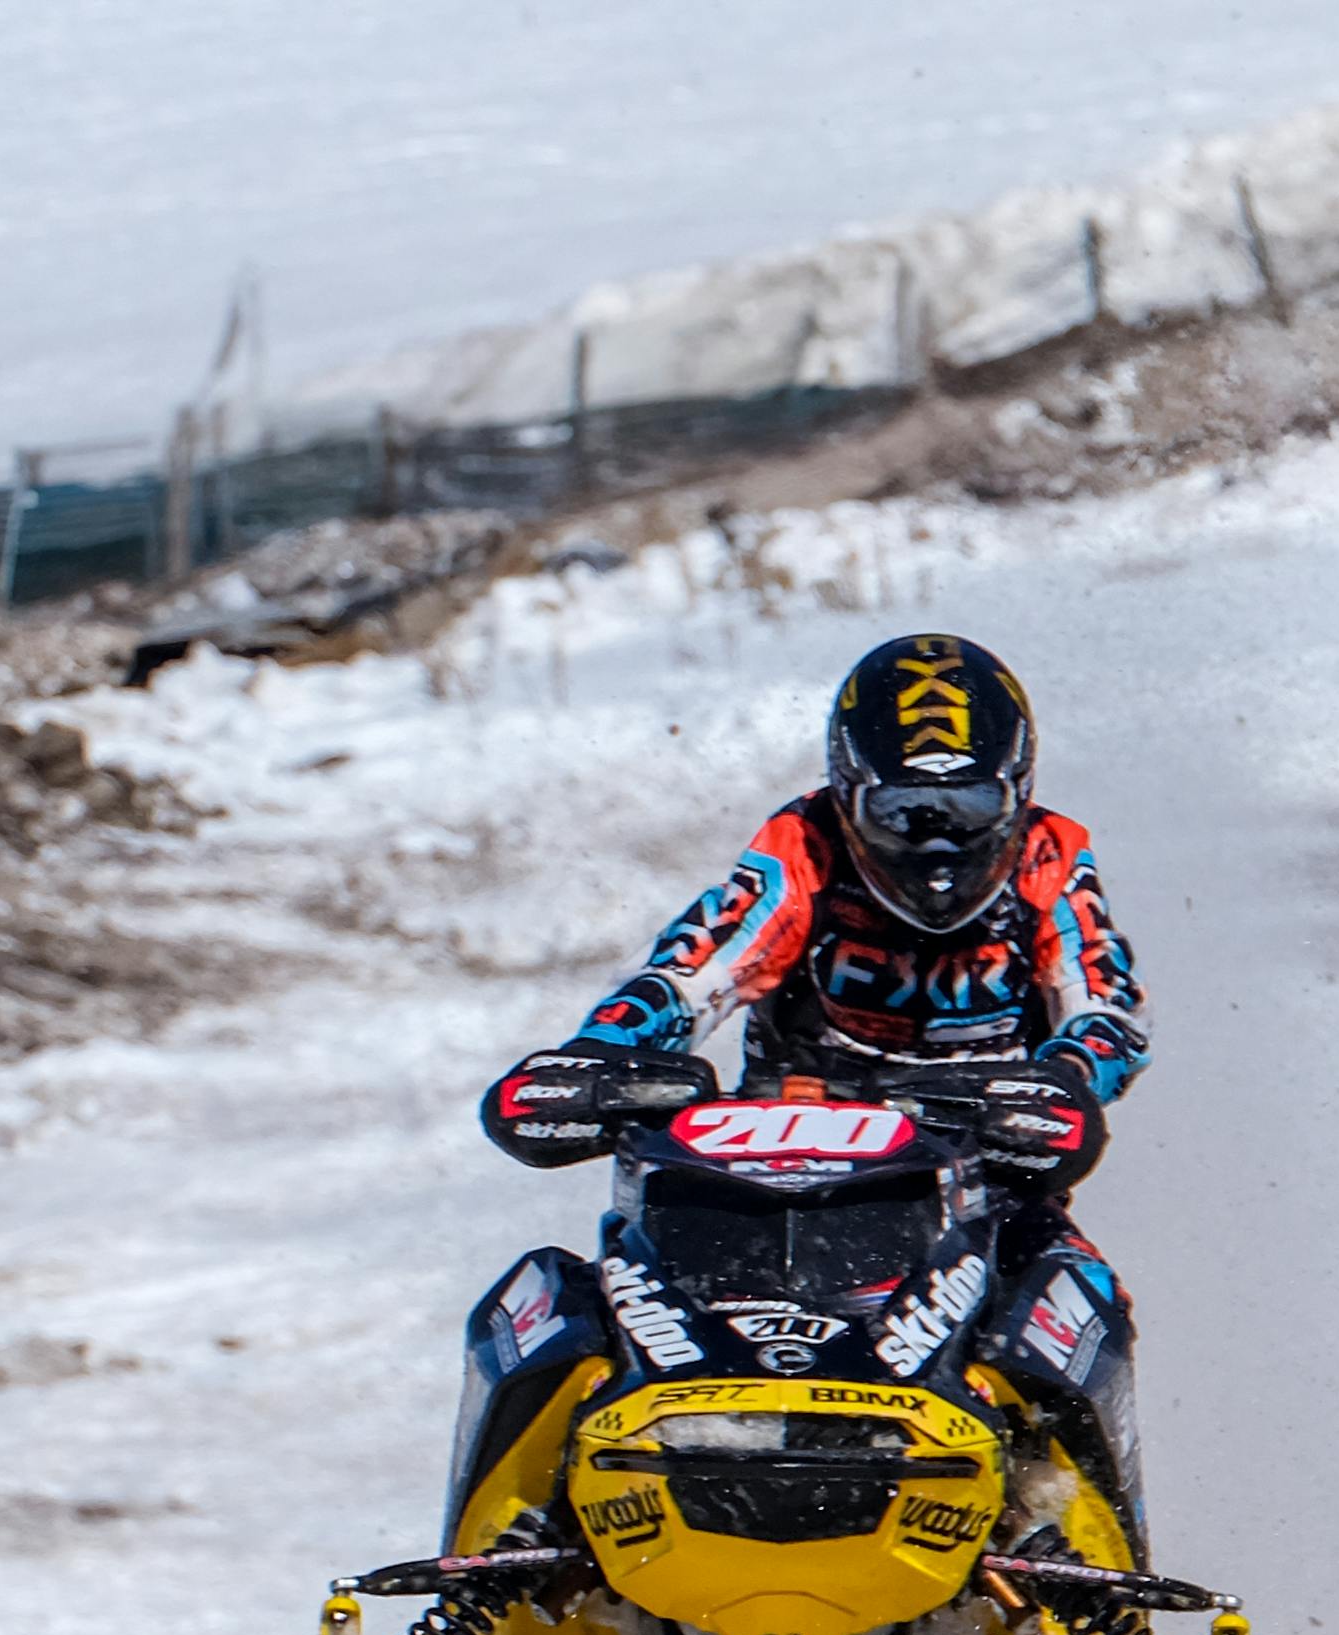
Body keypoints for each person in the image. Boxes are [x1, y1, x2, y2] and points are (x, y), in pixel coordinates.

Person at [451, 631, 1151, 1504]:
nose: (936, 845)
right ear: (849, 792)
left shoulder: (1050, 857)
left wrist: (1071, 1077)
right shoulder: (802, 848)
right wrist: (603, 1056)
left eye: (966, 808)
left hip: (981, 1185)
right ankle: (520, 1542)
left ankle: (1086, 1573)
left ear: (1018, 792)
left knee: (1078, 1303)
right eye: (903, 812)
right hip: (768, 1176)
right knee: (550, 1304)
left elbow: (1105, 1003)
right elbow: (692, 971)